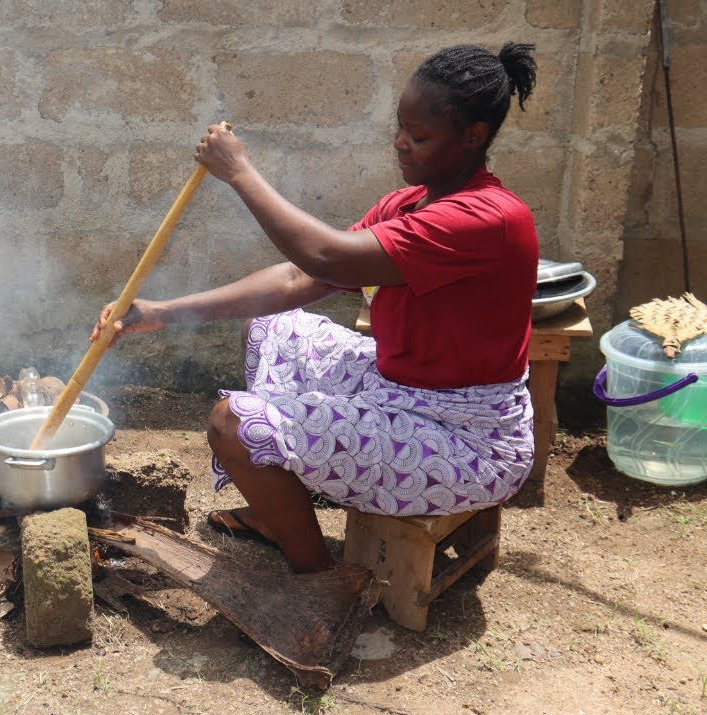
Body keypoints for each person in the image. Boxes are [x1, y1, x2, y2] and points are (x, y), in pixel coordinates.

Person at [91, 43, 540, 574]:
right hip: (398, 392)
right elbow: (302, 276)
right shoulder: (408, 205)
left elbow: (326, 253)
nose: (401, 144)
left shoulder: (487, 219)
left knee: (233, 424)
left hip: (464, 439)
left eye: (419, 136)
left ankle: (317, 582)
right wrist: (163, 311)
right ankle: (279, 509)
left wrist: (240, 173)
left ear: (474, 137)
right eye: (399, 127)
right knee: (270, 328)